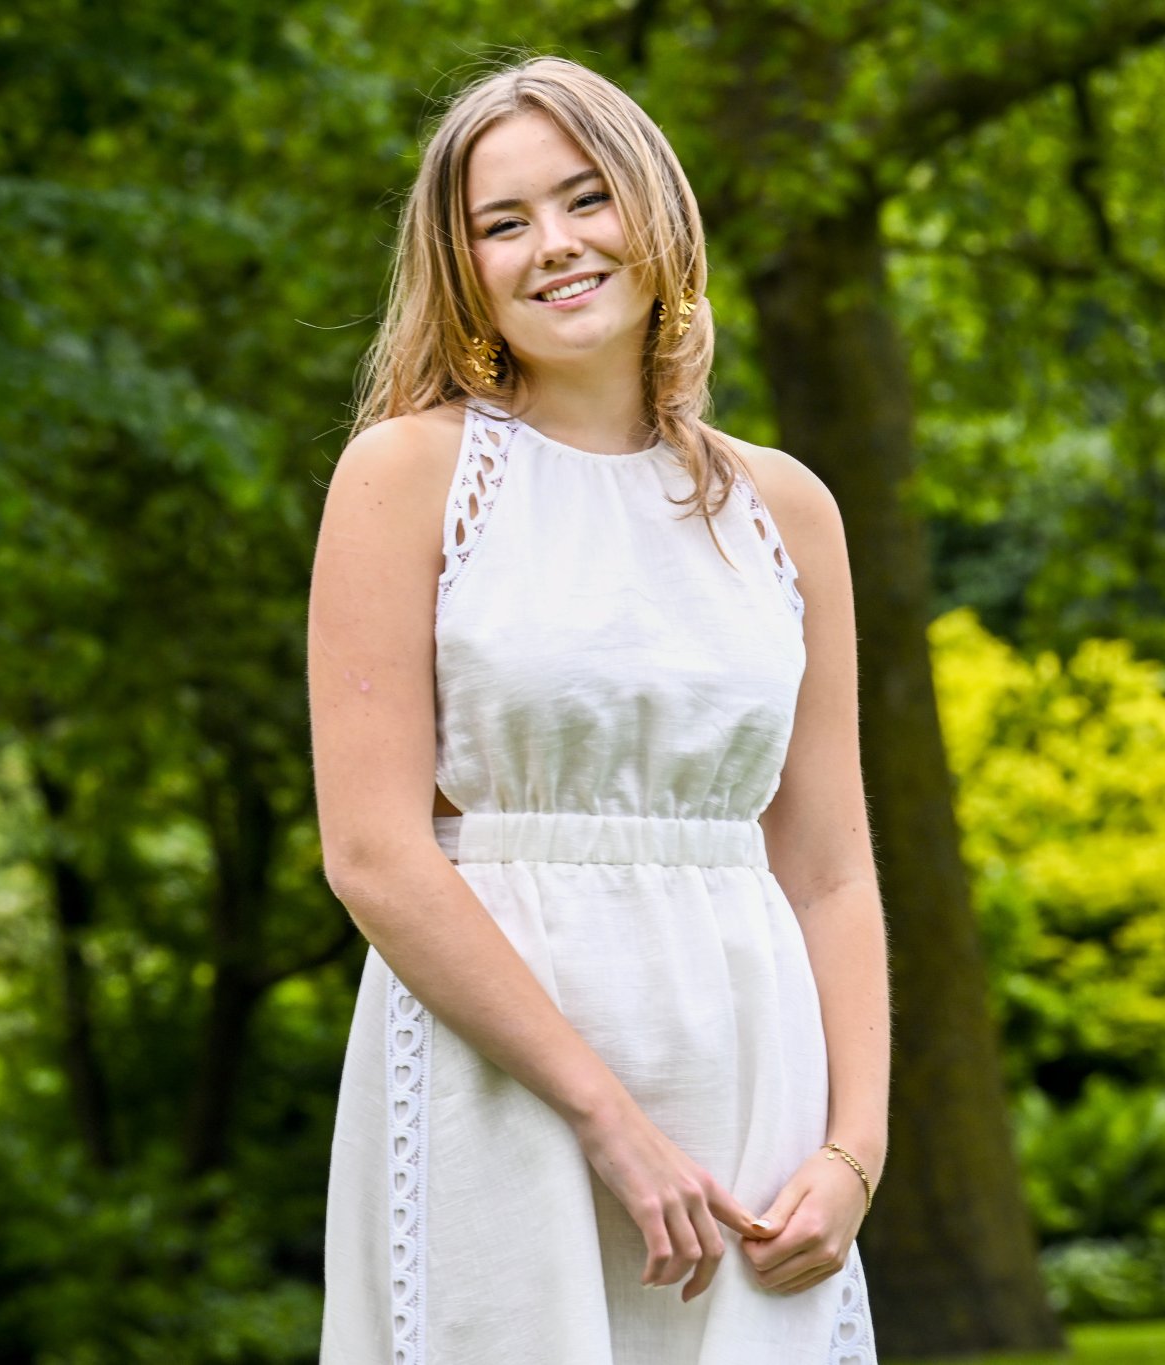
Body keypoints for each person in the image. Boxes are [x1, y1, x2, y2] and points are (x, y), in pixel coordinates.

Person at [308, 53, 890, 1364]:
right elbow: (375, 854)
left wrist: (854, 1150)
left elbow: (830, 868)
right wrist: (606, 1116)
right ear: (462, 269)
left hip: (753, 1076)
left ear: (656, 212)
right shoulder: (406, 474)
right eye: (503, 223)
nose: (556, 245)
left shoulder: (789, 509)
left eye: (585, 199)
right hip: (504, 1080)